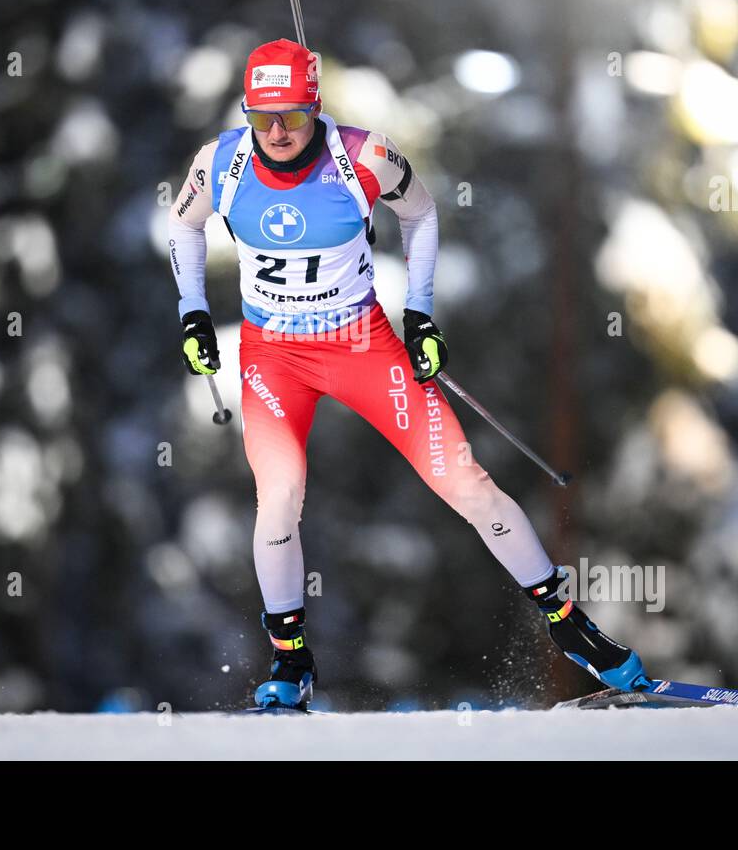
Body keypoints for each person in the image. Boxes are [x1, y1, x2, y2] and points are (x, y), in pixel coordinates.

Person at [168, 38, 647, 710]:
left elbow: (420, 214)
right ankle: (290, 660)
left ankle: (575, 632)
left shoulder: (363, 157)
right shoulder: (221, 162)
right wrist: (194, 315)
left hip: (362, 346)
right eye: (262, 117)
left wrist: (420, 315)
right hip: (274, 356)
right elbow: (184, 228)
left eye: (293, 118)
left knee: (466, 483)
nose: (277, 133)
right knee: (278, 496)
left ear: (316, 108)